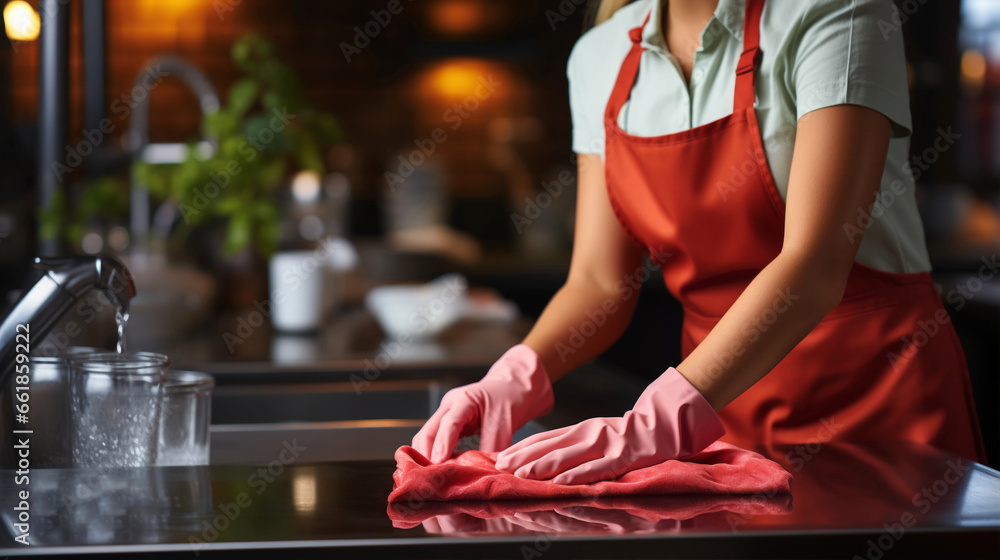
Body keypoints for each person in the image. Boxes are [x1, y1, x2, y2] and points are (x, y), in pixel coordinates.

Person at [412, 0, 988, 484]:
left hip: (877, 411)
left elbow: (814, 264)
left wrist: (656, 421)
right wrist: (517, 374)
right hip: (717, 415)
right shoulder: (600, 56)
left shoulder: (836, 12)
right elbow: (600, 281)